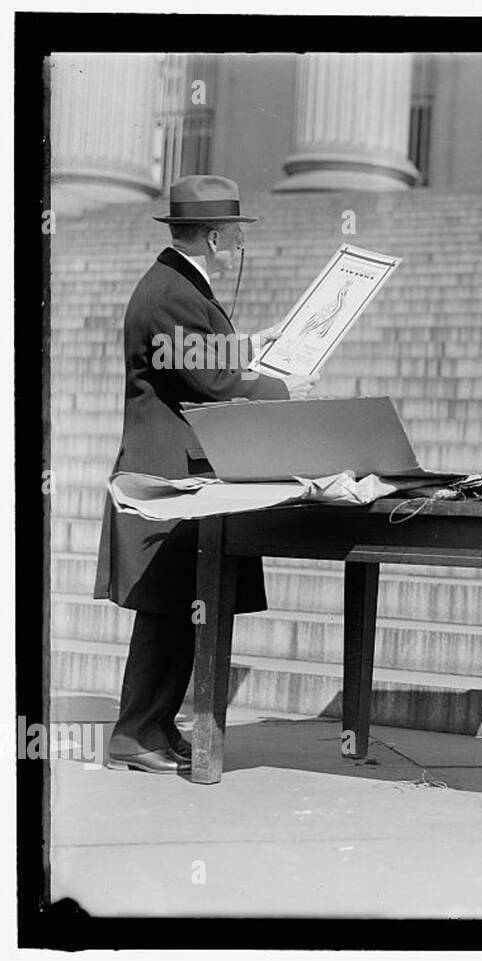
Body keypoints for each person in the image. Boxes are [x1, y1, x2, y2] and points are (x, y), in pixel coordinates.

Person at [93, 175, 318, 774]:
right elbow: (212, 383)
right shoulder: (174, 292)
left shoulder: (174, 285)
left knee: (173, 610)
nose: (238, 247)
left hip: (177, 473)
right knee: (169, 612)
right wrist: (282, 385)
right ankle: (137, 735)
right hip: (170, 480)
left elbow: (200, 360)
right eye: (236, 236)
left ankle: (148, 731)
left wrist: (250, 345)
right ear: (217, 237)